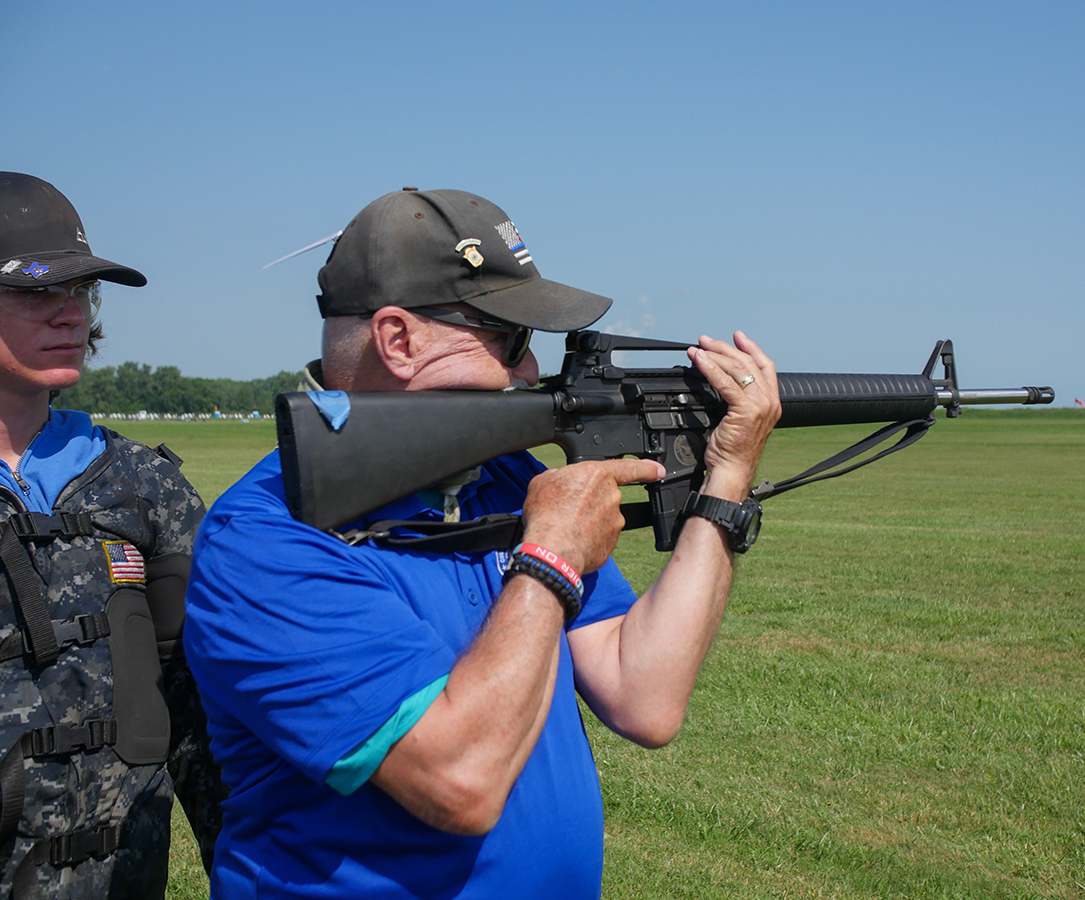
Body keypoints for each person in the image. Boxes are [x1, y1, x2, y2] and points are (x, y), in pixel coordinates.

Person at [184, 187, 781, 899]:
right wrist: (552, 553)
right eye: (512, 338)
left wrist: (726, 481)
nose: (530, 371)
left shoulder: (502, 479)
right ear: (398, 340)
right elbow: (459, 781)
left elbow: (643, 695)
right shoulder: (264, 540)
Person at [0, 173, 223, 898]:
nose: (71, 315)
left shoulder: (141, 483)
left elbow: (196, 707)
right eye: (39, 293)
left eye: (81, 294)